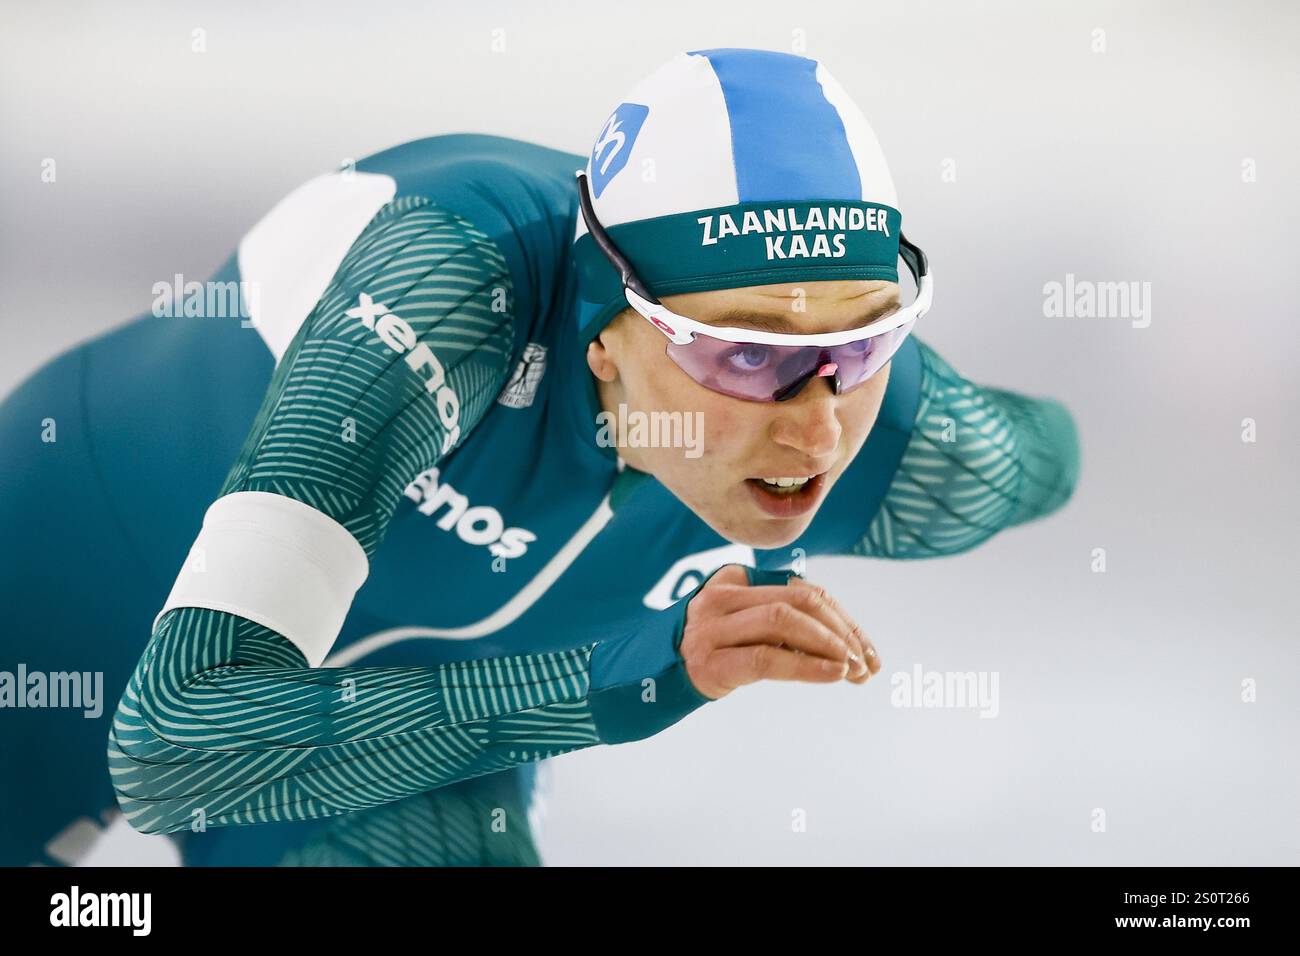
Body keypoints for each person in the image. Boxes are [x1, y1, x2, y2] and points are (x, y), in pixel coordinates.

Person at [0, 48, 1079, 866]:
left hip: (395, 735)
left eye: (861, 344)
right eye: (746, 355)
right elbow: (180, 738)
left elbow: (1052, 456)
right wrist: (631, 677)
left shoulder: (916, 443)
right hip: (73, 570)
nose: (818, 428)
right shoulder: (450, 285)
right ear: (605, 332)